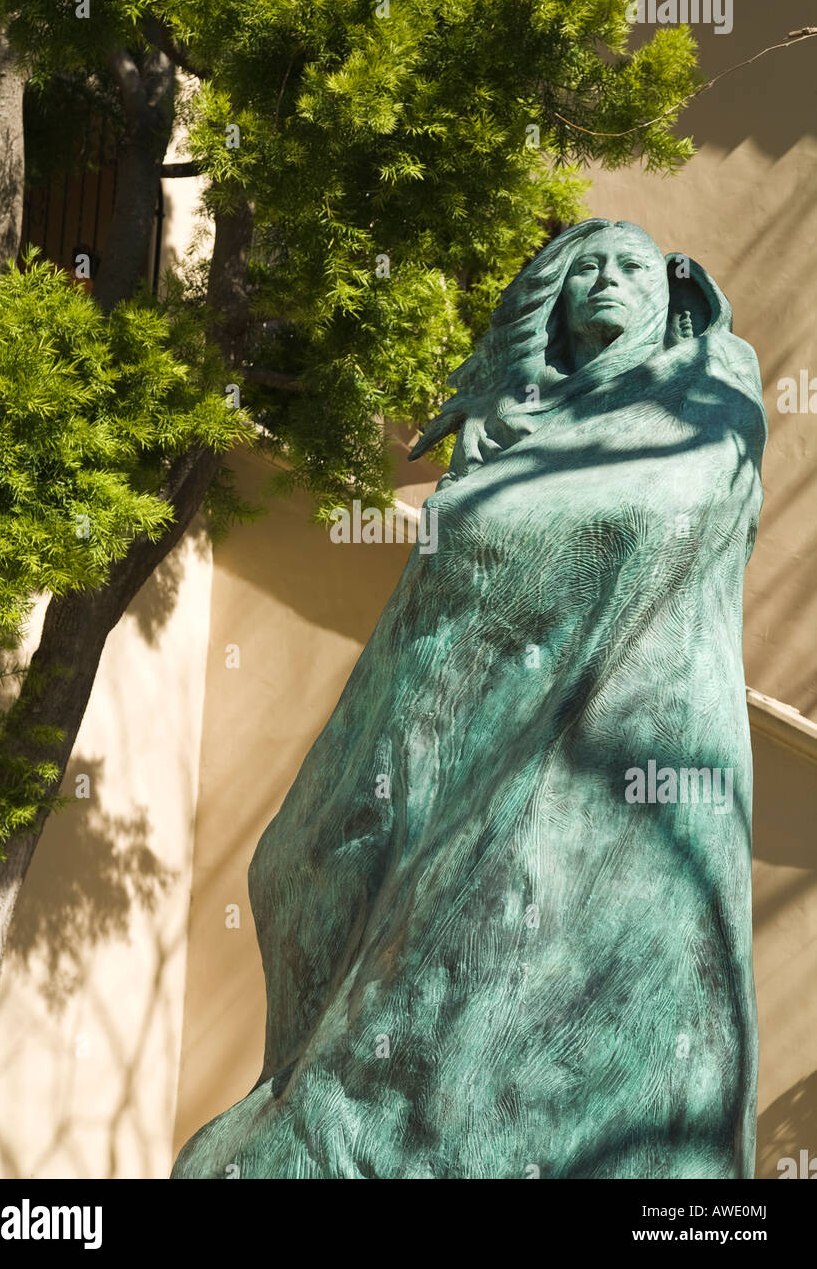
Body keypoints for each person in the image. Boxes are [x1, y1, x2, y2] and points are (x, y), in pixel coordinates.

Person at [173, 219, 767, 1179]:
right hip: (477, 750)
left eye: (628, 269)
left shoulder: (711, 389)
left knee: (563, 1008)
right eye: (586, 273)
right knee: (366, 933)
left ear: (668, 294)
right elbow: (433, 616)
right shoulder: (512, 437)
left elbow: (661, 513)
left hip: (635, 755)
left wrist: (501, 520)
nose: (606, 283)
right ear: (554, 309)